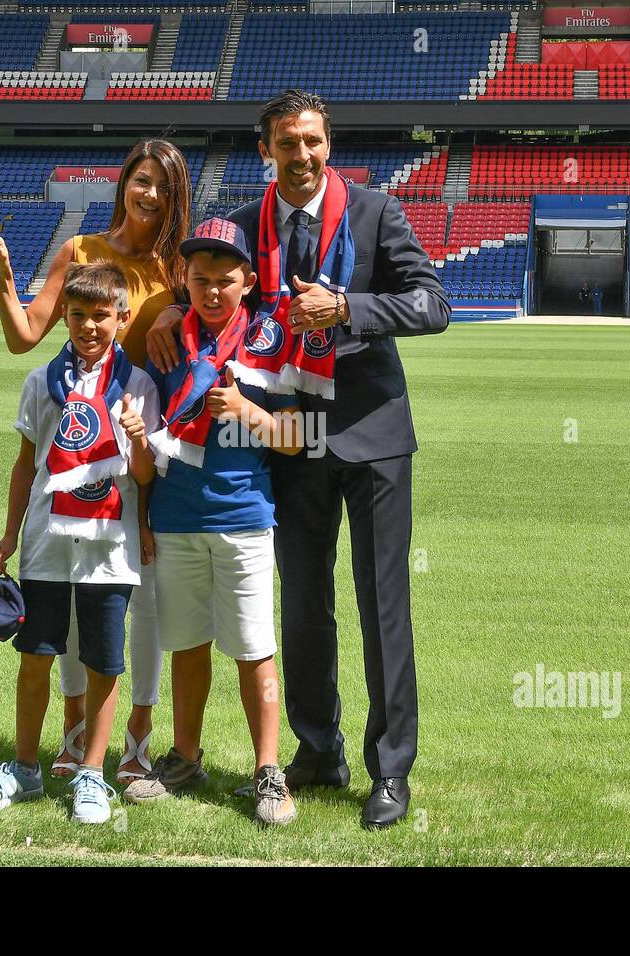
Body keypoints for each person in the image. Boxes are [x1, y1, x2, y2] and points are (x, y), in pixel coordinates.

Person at [146, 90, 450, 829]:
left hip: (373, 437)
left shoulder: (377, 213)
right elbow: (210, 292)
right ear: (267, 151)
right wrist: (164, 309)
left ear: (328, 143)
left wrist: (350, 309)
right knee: (304, 607)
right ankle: (318, 749)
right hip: (285, 440)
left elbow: (434, 304)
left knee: (382, 608)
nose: (303, 156)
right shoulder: (247, 226)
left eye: (313, 142)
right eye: (288, 144)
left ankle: (391, 768)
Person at [0, 139, 191, 782]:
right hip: (75, 448)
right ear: (123, 183)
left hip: (148, 443)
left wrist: (179, 305)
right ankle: (75, 737)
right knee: (73, 597)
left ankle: (138, 740)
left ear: (175, 194)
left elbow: (213, 318)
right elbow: (25, 337)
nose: (147, 193)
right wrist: (3, 277)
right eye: (139, 180)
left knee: (141, 598)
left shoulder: (180, 266)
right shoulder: (80, 252)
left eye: (160, 184)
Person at [0, 262, 160, 825]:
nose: (89, 326)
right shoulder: (39, 384)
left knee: (103, 663)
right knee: (35, 658)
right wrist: (7, 534)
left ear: (121, 318)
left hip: (109, 546)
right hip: (46, 541)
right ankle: (25, 770)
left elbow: (145, 476)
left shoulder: (138, 385)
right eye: (78, 315)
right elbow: (26, 467)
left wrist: (140, 436)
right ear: (64, 318)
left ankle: (93, 776)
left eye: (102, 315)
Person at [124, 218, 304, 826]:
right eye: (199, 280)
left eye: (225, 280)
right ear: (185, 282)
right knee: (186, 644)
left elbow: (297, 441)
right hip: (175, 520)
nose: (212, 291)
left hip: (244, 520)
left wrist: (248, 409)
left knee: (255, 648)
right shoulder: (166, 341)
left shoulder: (268, 344)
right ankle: (185, 756)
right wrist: (145, 518)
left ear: (248, 281)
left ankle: (268, 772)